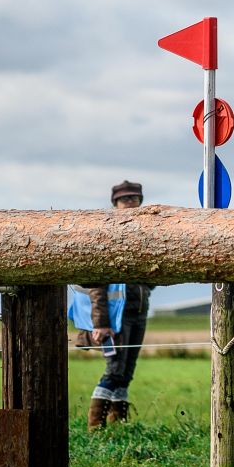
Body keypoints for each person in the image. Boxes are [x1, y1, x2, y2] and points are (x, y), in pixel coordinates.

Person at [79, 180, 152, 430]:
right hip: (115, 319)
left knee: (127, 372)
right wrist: (101, 324)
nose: (130, 203)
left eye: (134, 199)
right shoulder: (108, 235)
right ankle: (94, 427)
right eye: (125, 199)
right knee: (114, 370)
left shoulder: (145, 237)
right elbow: (97, 285)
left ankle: (118, 424)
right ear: (115, 204)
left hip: (139, 314)